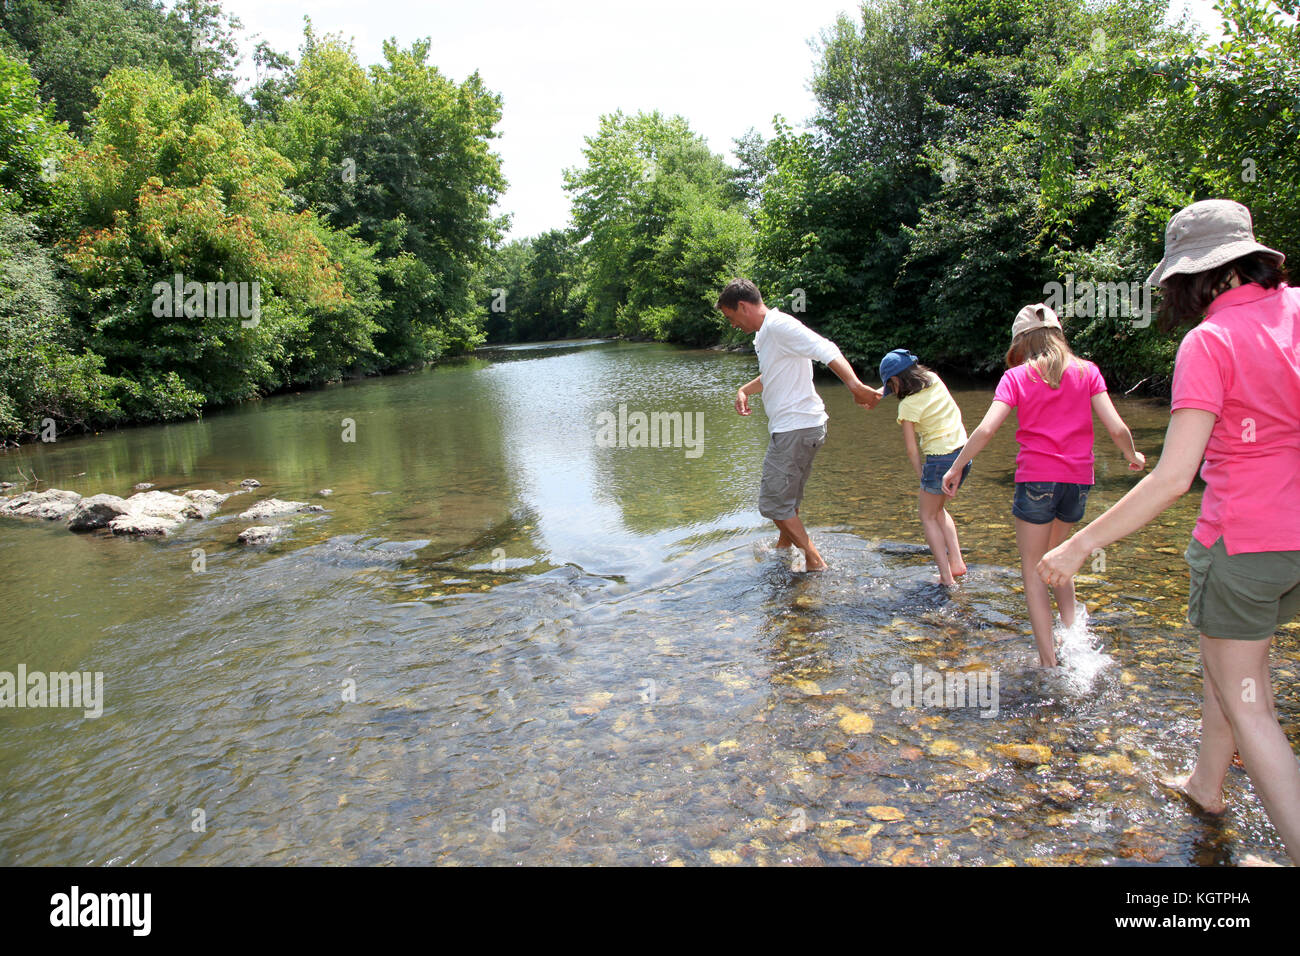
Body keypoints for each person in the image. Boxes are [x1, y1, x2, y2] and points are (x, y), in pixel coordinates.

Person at [1037, 199, 1300, 864]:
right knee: (1233, 667)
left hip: (1245, 544)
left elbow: (1172, 477)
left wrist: (1078, 544)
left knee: (1253, 707)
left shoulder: (1209, 343)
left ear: (1199, 276)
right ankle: (1206, 786)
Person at [941, 303, 1145, 666]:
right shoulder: (1088, 371)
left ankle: (1050, 663)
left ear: (1022, 342)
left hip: (1037, 480)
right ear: (1058, 334)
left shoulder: (1017, 377)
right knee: (1060, 558)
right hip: (1078, 482)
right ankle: (1075, 639)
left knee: (1035, 567)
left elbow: (987, 429)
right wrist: (1132, 455)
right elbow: (1116, 428)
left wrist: (956, 467)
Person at [716, 278, 881, 571]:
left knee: (772, 503)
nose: (732, 325)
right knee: (787, 496)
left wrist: (854, 385)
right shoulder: (766, 334)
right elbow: (772, 375)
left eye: (731, 317)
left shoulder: (779, 326)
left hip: (796, 429)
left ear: (743, 306)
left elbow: (825, 347)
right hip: (803, 427)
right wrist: (744, 390)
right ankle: (784, 546)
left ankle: (814, 559)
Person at [880, 348, 971, 586]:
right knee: (938, 510)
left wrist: (922, 473)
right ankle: (957, 563)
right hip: (963, 455)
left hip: (940, 460)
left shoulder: (908, 406)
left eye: (891, 386)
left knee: (927, 515)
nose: (894, 392)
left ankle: (946, 577)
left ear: (896, 381)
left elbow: (911, 449)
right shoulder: (935, 380)